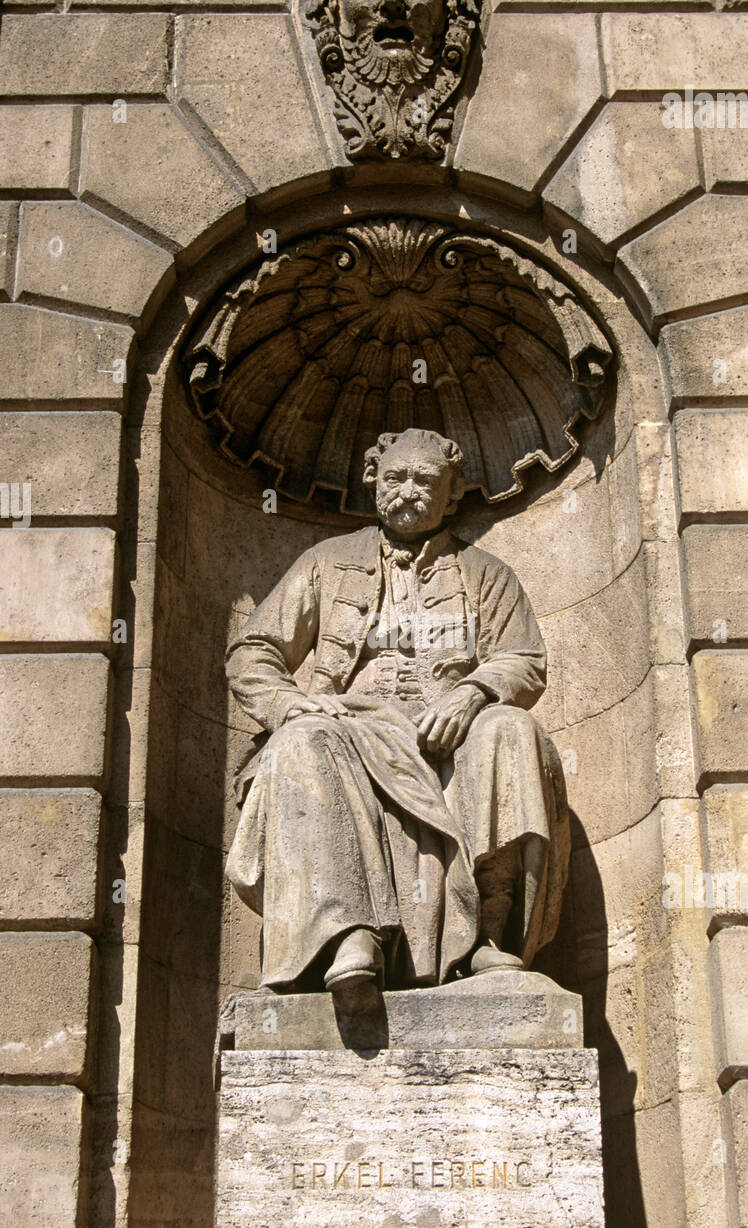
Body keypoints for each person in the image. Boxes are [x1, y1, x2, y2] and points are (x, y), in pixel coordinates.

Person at [225, 427, 570, 998]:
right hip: (351, 727)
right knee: (302, 740)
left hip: (449, 737)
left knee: (510, 729)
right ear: (372, 481)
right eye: (394, 478)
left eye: (424, 480)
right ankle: (346, 936)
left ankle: (485, 939)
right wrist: (289, 702)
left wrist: (475, 691)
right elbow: (254, 651)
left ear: (453, 494)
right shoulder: (326, 563)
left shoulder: (487, 574)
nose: (406, 490)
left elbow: (524, 659)